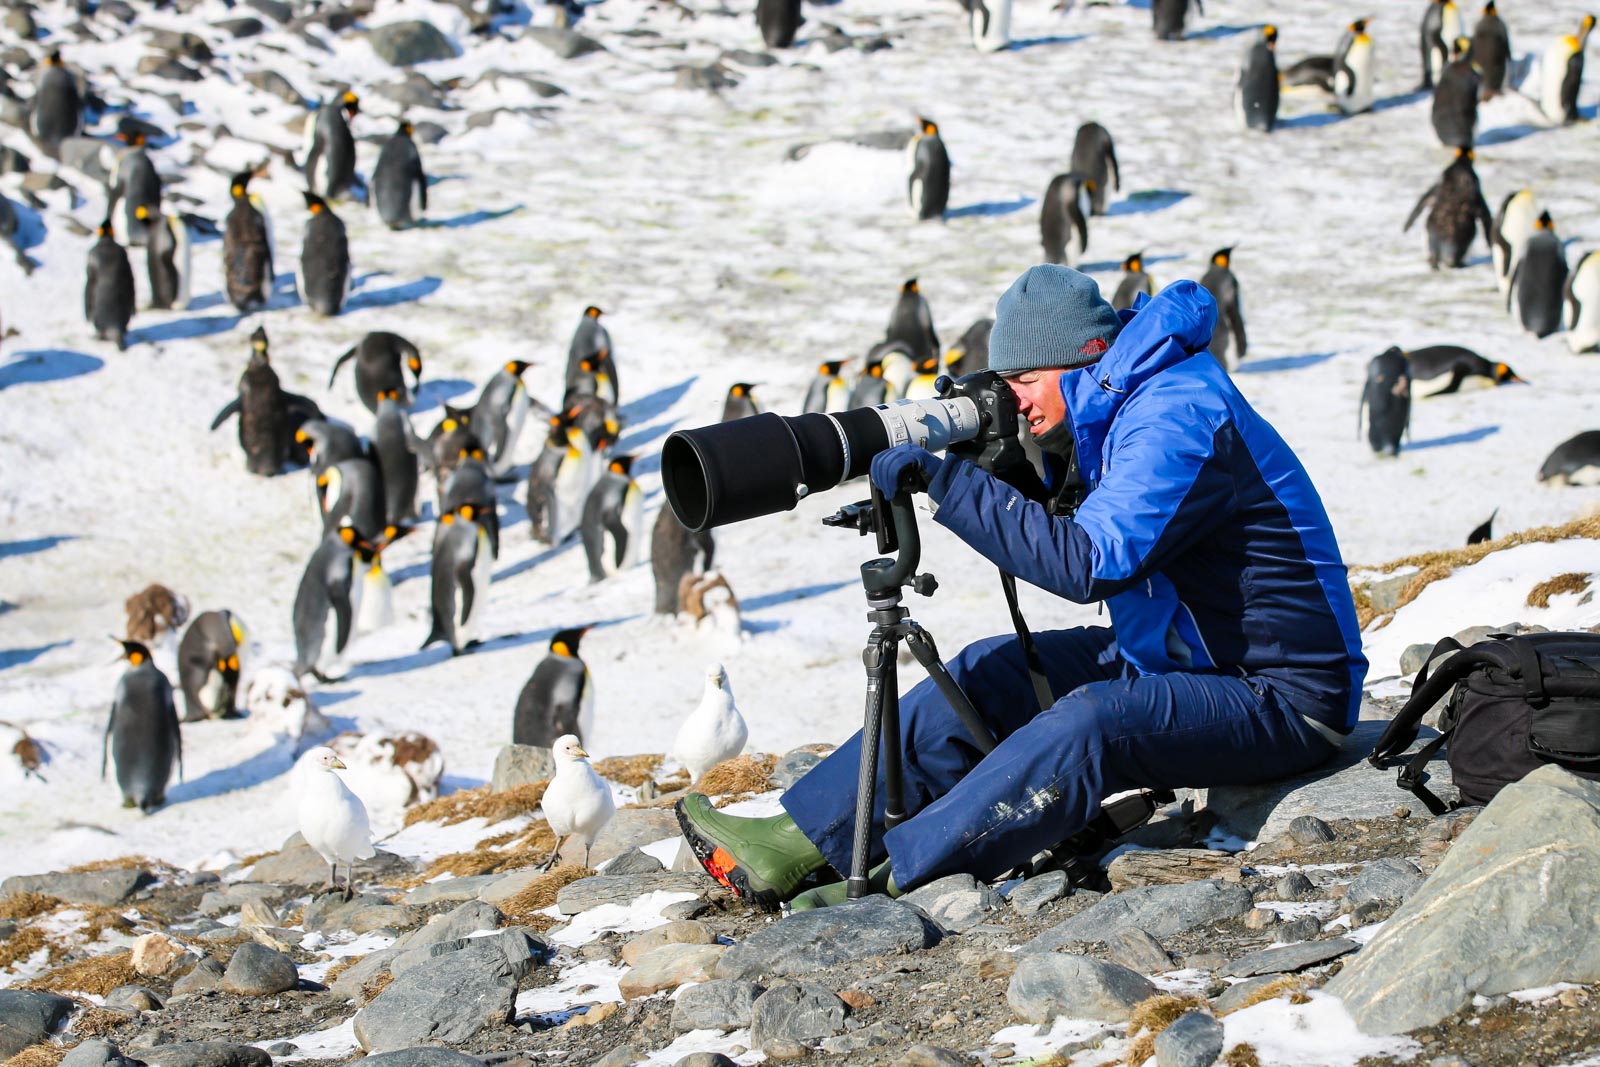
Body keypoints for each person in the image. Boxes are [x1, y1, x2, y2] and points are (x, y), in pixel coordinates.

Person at [675, 265, 1368, 910]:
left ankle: (894, 880)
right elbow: (1093, 526)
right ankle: (794, 842)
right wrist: (1004, 471)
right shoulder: (1124, 400)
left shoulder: (1176, 413)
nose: (1013, 399)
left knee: (1092, 722)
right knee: (989, 670)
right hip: (1181, 655)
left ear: (1081, 357)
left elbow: (1088, 562)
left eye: (1023, 381)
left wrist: (947, 482)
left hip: (1281, 692)